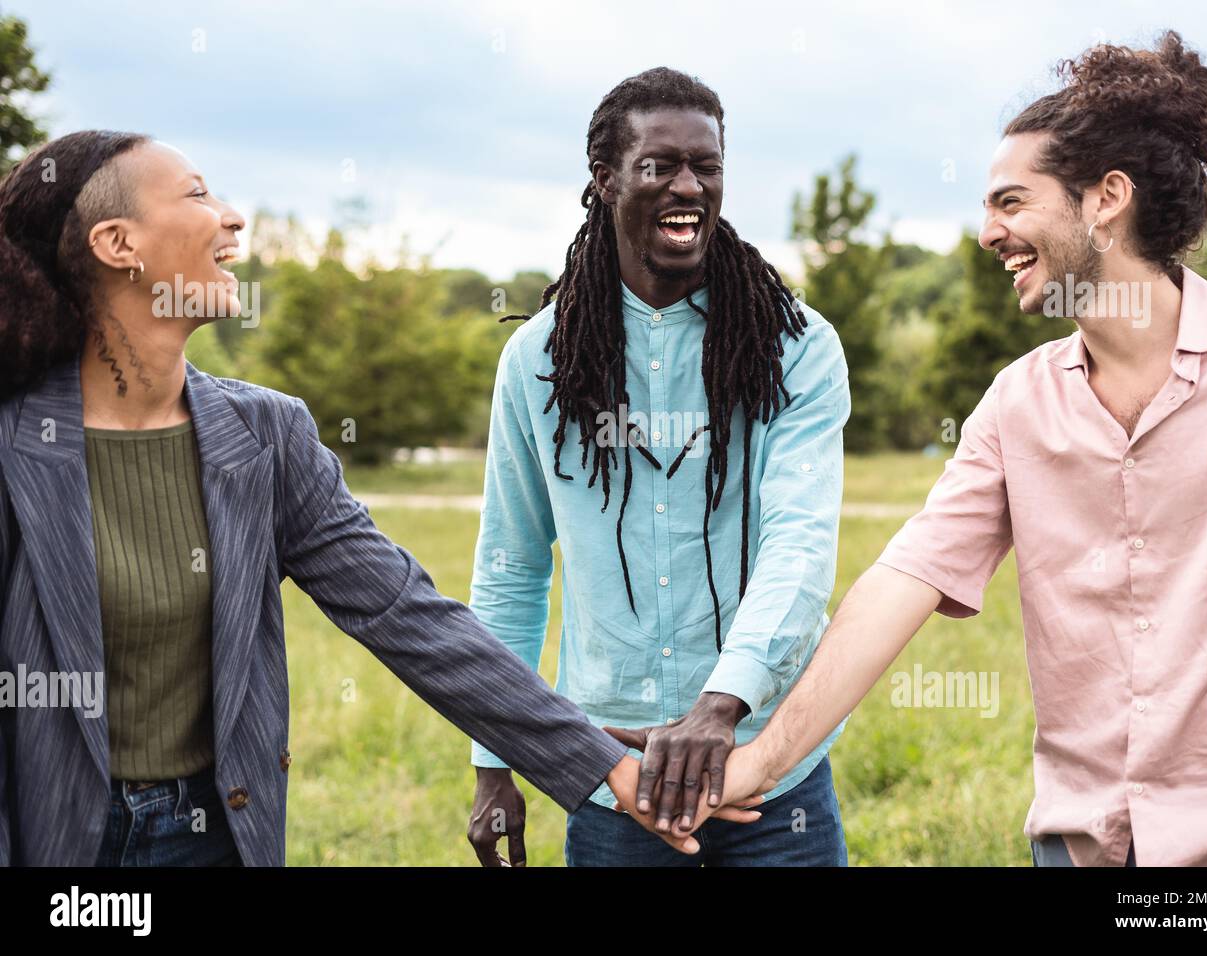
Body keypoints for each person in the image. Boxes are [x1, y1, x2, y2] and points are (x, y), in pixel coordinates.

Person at [0, 130, 755, 866]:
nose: (231, 217)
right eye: (198, 194)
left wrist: (604, 763)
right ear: (117, 245)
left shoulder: (267, 436)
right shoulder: (12, 445)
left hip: (211, 834)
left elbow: (406, 615)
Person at [684, 31, 1207, 867]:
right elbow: (900, 585)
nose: (987, 233)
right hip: (1076, 848)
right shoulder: (1018, 402)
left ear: (1105, 198)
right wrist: (757, 763)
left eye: (1011, 202)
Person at [465, 67, 851, 867]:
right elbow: (510, 569)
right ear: (606, 181)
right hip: (613, 778)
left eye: (706, 168)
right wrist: (492, 764)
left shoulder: (797, 347)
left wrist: (720, 708)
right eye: (659, 167)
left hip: (769, 774)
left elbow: (799, 546)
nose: (689, 186)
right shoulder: (537, 361)